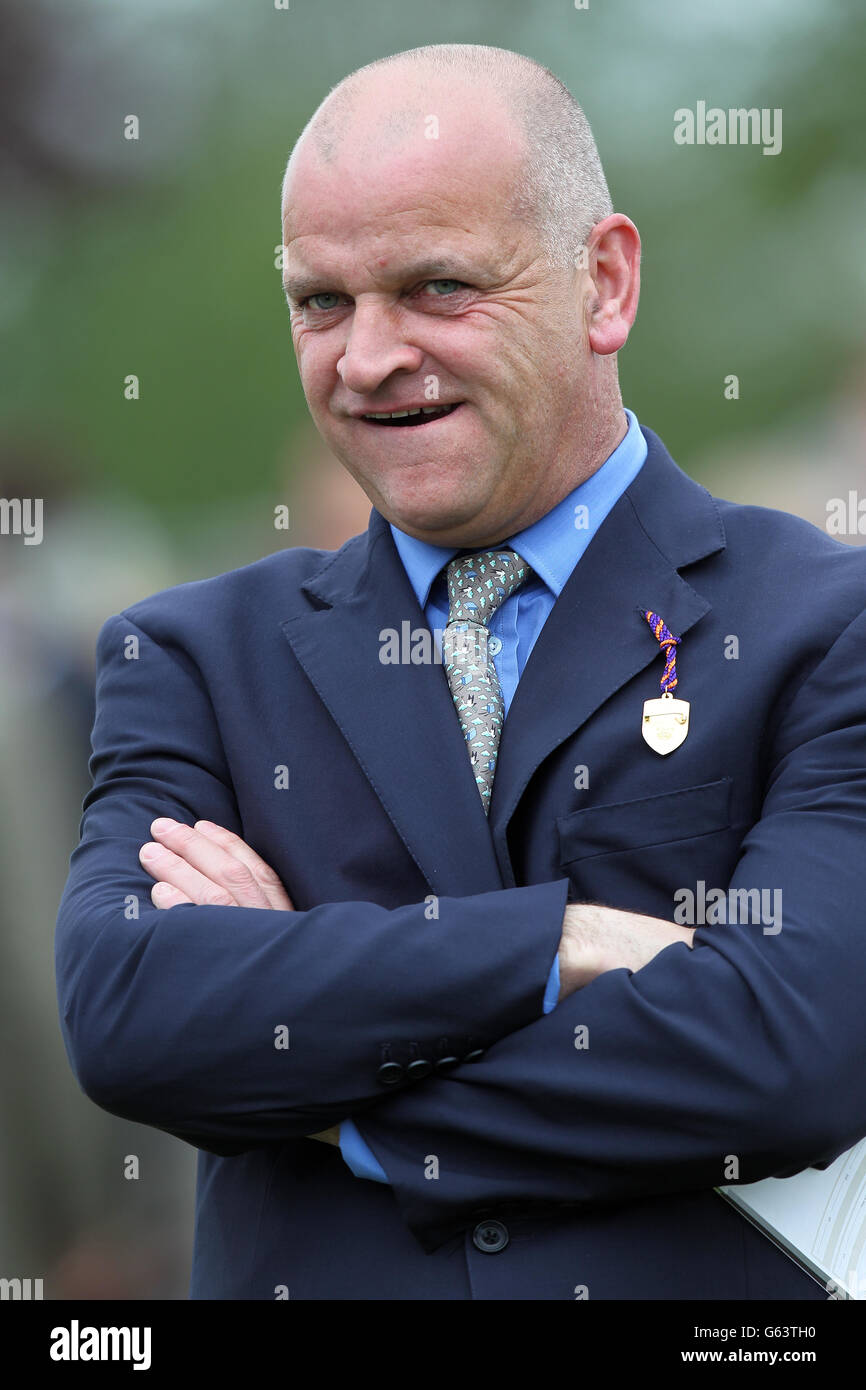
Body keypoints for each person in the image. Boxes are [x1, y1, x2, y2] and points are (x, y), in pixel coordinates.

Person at [55, 43, 866, 1301]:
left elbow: (790, 1054)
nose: (367, 355)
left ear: (602, 282)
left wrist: (329, 1094)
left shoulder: (823, 626)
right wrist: (570, 941)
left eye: (434, 287)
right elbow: (131, 1018)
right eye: (320, 302)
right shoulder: (194, 656)